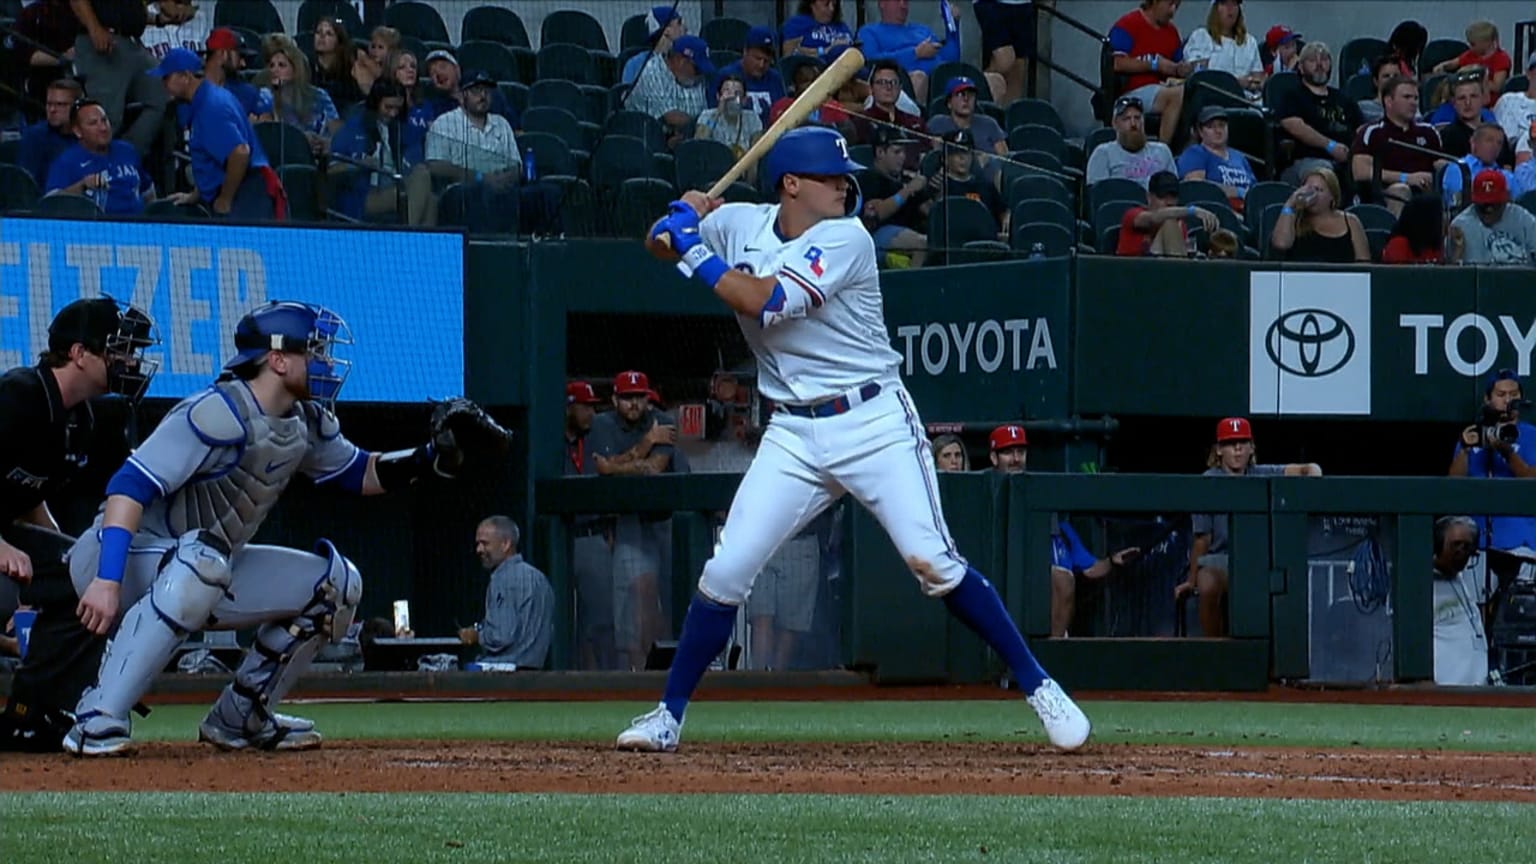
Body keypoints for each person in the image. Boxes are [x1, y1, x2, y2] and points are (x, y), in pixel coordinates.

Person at [619, 126, 1091, 753]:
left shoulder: (846, 238)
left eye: (846, 178)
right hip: (792, 428)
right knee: (728, 566)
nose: (846, 187)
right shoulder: (740, 223)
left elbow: (765, 301)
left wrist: (691, 249)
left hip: (872, 422)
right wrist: (680, 217)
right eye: (831, 178)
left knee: (932, 561)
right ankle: (667, 716)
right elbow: (656, 243)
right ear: (791, 184)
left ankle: (1039, 686)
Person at [60, 301, 505, 756]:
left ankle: (241, 717)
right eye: (315, 349)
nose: (327, 362)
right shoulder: (214, 412)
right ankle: (97, 718)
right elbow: (128, 488)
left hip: (199, 567)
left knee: (336, 584)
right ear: (277, 359)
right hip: (114, 556)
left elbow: (360, 473)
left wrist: (431, 456)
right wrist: (107, 581)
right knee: (203, 562)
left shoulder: (303, 422)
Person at [0, 298, 158, 752]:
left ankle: (29, 713)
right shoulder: (19, 394)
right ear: (78, 353)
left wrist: (67, 554)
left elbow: (28, 496)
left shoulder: (82, 419)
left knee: (84, 576)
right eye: (119, 349)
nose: (130, 361)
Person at [1179, 417, 1320, 638]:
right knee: (1206, 583)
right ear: (1218, 450)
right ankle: (1217, 652)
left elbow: (1307, 469)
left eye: (1242, 442)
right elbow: (1202, 540)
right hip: (1220, 559)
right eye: (1230, 443)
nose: (1237, 449)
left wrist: (1314, 473)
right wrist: (1191, 578)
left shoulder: (1260, 473)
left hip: (1258, 561)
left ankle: (1275, 660)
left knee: (1286, 578)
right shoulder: (1209, 480)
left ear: (1251, 447)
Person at [459, 516, 554, 670]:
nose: (479, 550)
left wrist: (476, 636)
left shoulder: (503, 579)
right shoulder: (540, 578)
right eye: (478, 544)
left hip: (502, 676)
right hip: (535, 673)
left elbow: (501, 635)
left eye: (485, 543)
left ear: (506, 544)